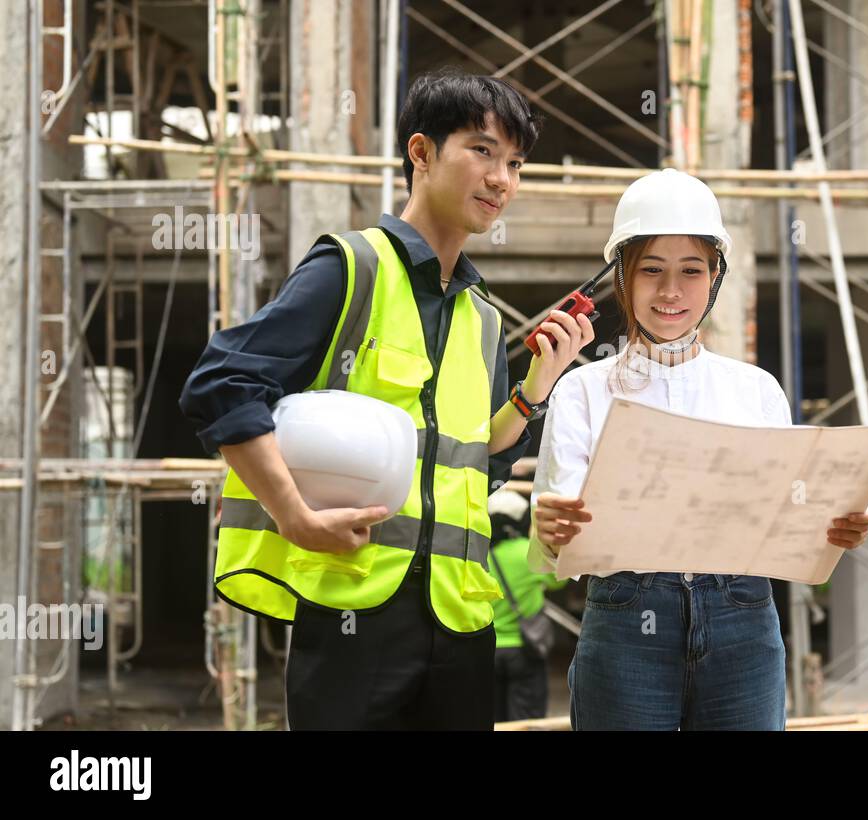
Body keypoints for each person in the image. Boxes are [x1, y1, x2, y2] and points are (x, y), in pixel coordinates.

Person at [179, 69, 594, 730]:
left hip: (461, 619)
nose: (501, 179)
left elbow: (472, 467)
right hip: (354, 612)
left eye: (515, 163)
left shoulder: (481, 319)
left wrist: (534, 388)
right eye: (482, 151)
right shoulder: (351, 268)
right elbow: (222, 381)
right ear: (421, 153)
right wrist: (292, 514)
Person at [527, 169, 868, 731]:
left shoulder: (756, 390)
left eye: (691, 271)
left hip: (742, 618)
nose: (671, 292)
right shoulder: (581, 390)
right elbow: (553, 548)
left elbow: (786, 519)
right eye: (652, 271)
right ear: (623, 277)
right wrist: (551, 529)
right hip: (626, 618)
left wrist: (833, 527)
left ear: (714, 278)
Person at [486, 490, 568, 723]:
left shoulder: (478, 553)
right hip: (525, 648)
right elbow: (556, 582)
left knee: (493, 720)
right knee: (527, 721)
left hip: (488, 648)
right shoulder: (527, 551)